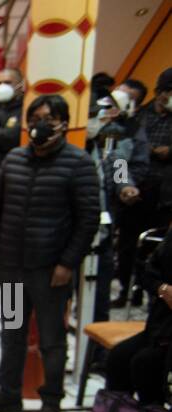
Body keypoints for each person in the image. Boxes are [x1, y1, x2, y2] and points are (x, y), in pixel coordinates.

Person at [0, 94, 101, 412]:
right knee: (11, 333)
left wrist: (68, 263)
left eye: (48, 118)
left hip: (50, 271)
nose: (40, 126)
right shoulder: (14, 159)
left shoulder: (79, 163)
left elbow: (88, 220)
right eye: (35, 119)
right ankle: (8, 392)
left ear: (63, 122)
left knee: (51, 340)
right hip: (11, 266)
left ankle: (51, 400)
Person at [87, 89, 149, 328]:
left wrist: (125, 186)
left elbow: (119, 165)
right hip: (65, 228)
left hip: (99, 227)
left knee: (99, 290)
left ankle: (97, 351)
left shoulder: (113, 141)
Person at [114, 71, 172, 309]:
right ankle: (125, 291)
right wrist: (123, 185)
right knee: (127, 247)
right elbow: (117, 159)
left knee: (158, 249)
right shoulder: (136, 118)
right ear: (161, 92)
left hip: (166, 197)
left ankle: (151, 295)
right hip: (135, 194)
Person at [107, 223, 172, 405]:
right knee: (118, 358)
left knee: (144, 365)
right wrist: (163, 289)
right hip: (161, 324)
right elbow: (147, 271)